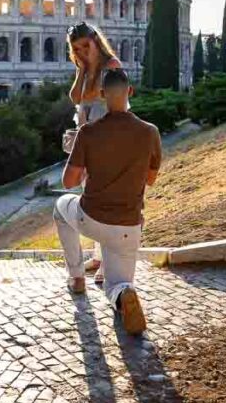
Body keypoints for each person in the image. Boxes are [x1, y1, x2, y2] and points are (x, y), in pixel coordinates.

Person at [54, 67, 161, 335]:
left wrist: (80, 155)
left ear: (102, 95)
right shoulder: (150, 133)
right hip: (128, 226)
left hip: (91, 219)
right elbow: (150, 180)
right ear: (130, 92)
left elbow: (69, 182)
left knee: (60, 208)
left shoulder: (88, 133)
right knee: (118, 284)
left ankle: (77, 276)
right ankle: (123, 293)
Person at [66, 22, 123, 282]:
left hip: (108, 141)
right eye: (76, 49)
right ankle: (99, 255)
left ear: (96, 42)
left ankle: (108, 261)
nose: (81, 52)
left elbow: (113, 103)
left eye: (85, 46)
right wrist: (81, 69)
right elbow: (75, 97)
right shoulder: (85, 70)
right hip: (87, 142)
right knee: (91, 199)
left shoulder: (111, 66)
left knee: (105, 201)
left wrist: (93, 67)